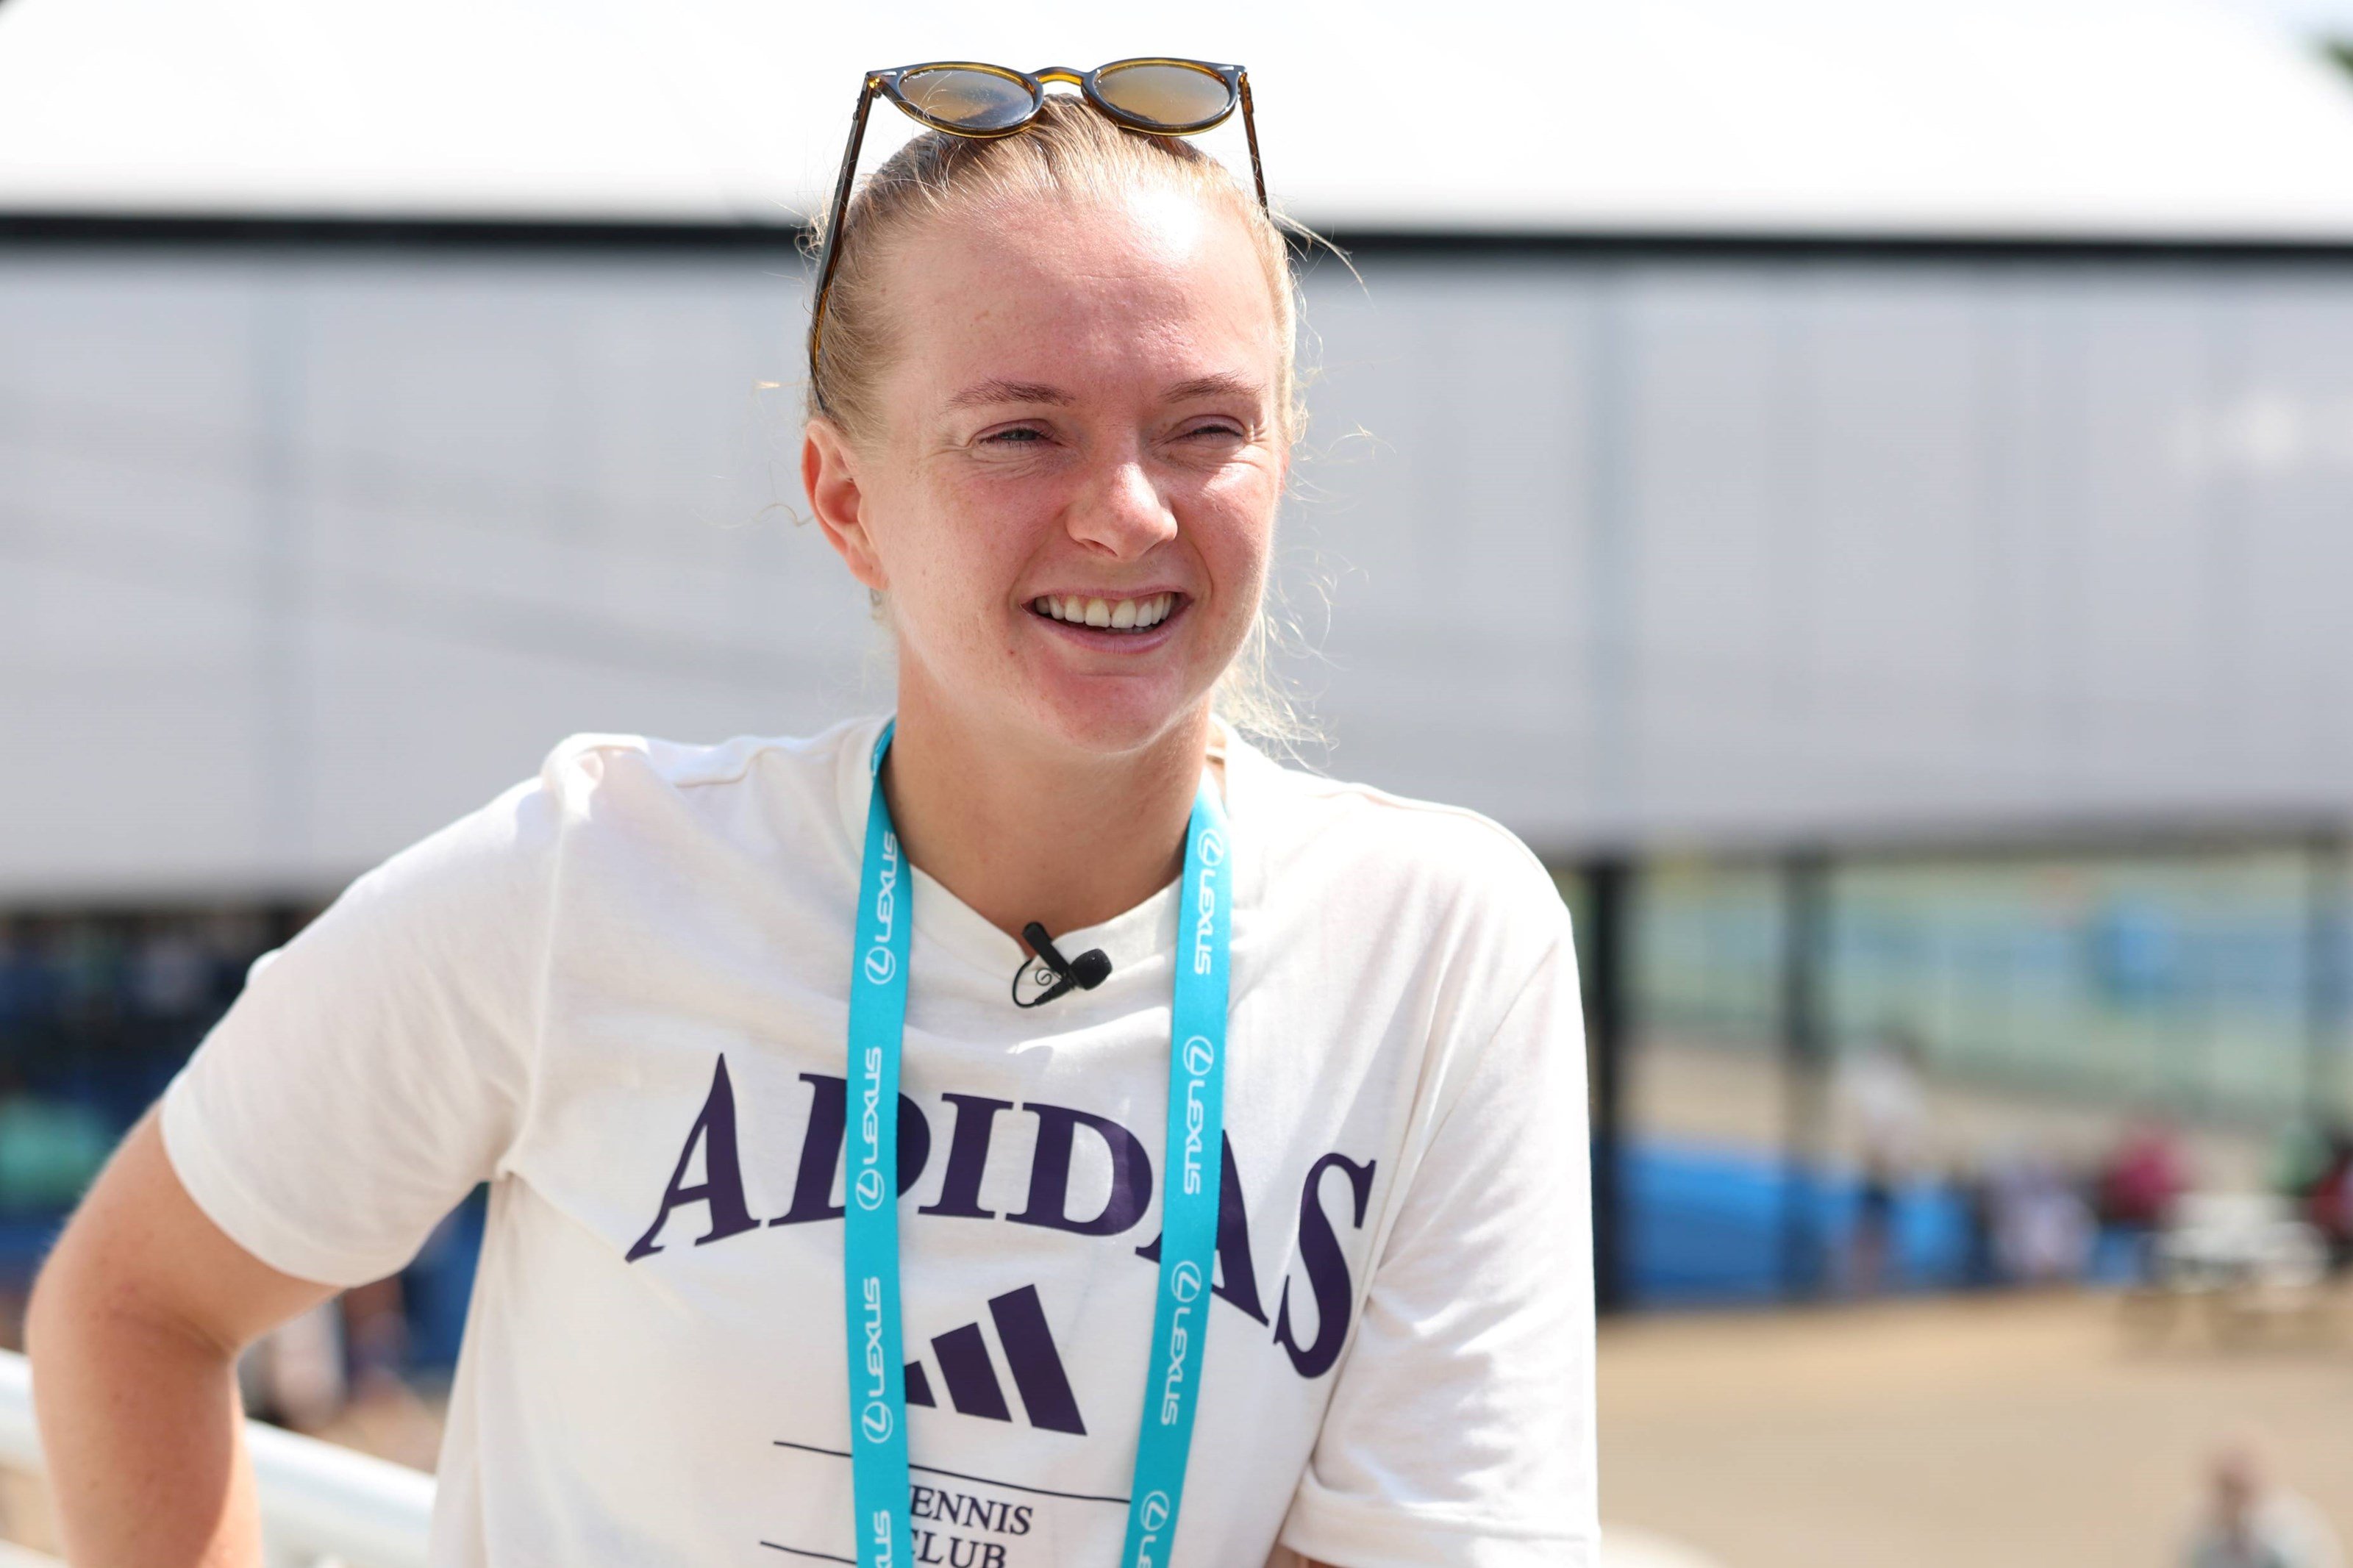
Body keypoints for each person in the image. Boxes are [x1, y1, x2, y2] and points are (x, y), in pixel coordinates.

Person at [26, 68, 1597, 1568]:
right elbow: (137, 1299)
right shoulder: (590, 879)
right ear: (846, 500)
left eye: (1204, 427)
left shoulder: (1436, 946)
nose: (1126, 509)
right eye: (1019, 429)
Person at [2181, 1434, 2343, 1568]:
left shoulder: (2294, 1531)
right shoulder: (2201, 1534)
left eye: (2241, 1491)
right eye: (2227, 1491)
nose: (2235, 1502)